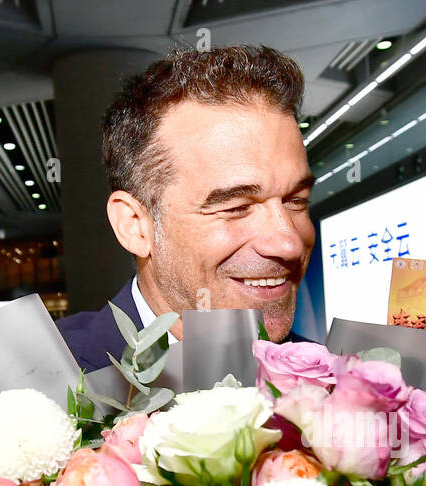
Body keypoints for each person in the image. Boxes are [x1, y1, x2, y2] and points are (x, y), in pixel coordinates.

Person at [58, 46, 316, 372]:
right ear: (135, 225)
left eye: (296, 201)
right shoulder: (31, 382)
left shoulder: (340, 386)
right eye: (237, 206)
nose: (288, 244)